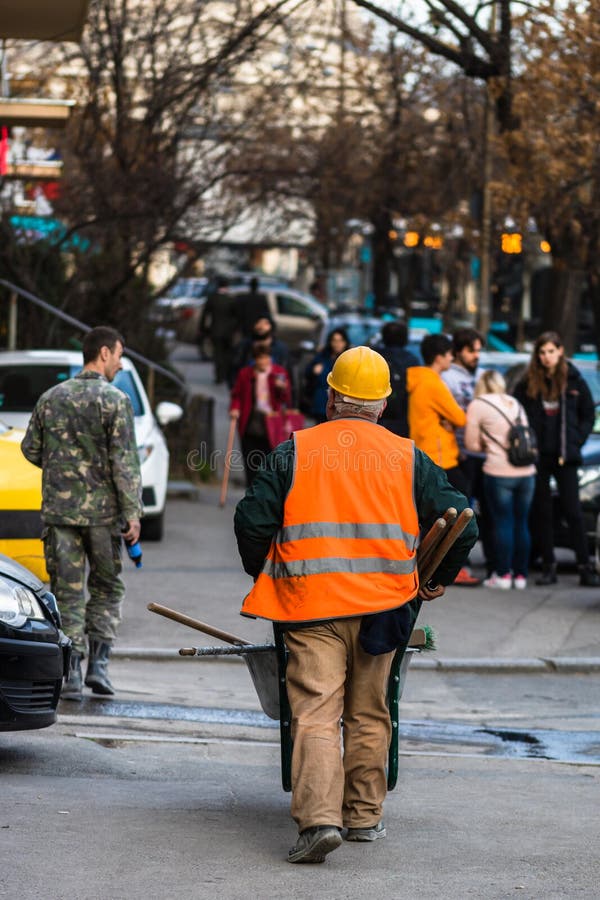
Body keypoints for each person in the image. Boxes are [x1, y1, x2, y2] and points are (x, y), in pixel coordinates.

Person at [234, 346, 478, 864]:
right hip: (385, 608)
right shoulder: (407, 455)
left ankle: (320, 823)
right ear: (383, 405)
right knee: (370, 711)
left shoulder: (294, 450)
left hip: (312, 607)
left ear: (331, 398)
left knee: (317, 715)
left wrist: (266, 569)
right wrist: (436, 580)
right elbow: (465, 519)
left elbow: (252, 520)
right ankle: (364, 818)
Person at [21, 326, 142, 700]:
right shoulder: (115, 401)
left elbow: (30, 449)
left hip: (60, 515)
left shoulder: (51, 398)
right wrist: (132, 513)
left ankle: (71, 673)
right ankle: (100, 668)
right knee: (106, 588)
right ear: (103, 353)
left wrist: (62, 469)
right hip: (103, 518)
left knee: (66, 592)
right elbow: (124, 463)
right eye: (119, 356)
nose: (120, 364)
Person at [513, 331, 600, 587]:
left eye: (551, 351)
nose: (546, 357)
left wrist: (577, 441)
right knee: (543, 512)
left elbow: (587, 414)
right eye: (542, 352)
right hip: (538, 457)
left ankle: (586, 566)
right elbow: (516, 412)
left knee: (573, 511)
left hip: (566, 457)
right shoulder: (529, 381)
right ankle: (548, 566)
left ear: (560, 351)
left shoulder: (573, 379)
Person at [406, 334, 478, 586]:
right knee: (459, 510)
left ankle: (426, 564)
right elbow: (459, 418)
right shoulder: (433, 382)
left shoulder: (416, 379)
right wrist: (447, 421)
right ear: (439, 357)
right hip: (440, 454)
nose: (451, 358)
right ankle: (451, 566)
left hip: (425, 448)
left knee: (432, 514)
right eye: (449, 354)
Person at [464, 370, 536, 589]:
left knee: (502, 522)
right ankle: (521, 575)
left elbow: (471, 445)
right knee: (521, 523)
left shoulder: (478, 405)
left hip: (498, 472)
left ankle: (503, 575)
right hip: (527, 472)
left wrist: (488, 445)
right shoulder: (514, 403)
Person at [442, 328, 494, 580]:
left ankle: (493, 562)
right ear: (459, 351)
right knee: (463, 510)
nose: (476, 355)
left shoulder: (481, 376)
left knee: (487, 509)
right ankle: (459, 563)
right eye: (472, 350)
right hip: (460, 454)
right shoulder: (448, 378)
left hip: (486, 455)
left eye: (478, 350)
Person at [229, 342, 292, 486]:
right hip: (251, 421)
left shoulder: (279, 373)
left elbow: (286, 400)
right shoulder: (245, 374)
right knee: (251, 460)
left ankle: (266, 491)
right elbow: (237, 395)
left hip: (272, 423)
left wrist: (282, 389)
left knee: (269, 459)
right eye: (259, 358)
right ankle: (251, 490)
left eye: (266, 358)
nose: (263, 362)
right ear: (254, 360)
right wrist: (235, 408)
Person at [376, 320, 419, 437]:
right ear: (405, 339)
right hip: (402, 419)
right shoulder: (412, 360)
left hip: (375, 415)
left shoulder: (374, 357)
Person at [303, 327, 350, 422]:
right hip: (321, 404)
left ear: (345, 342)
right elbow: (307, 373)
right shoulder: (323, 356)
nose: (337, 344)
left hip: (340, 406)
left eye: (340, 341)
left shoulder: (349, 358)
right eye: (334, 340)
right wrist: (313, 370)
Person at [229, 315, 291, 388]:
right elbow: (234, 368)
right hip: (248, 391)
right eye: (258, 323)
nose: (261, 326)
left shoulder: (281, 348)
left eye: (265, 324)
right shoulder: (244, 346)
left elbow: (285, 372)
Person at [197, 276, 236, 384]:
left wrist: (202, 329)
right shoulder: (230, 300)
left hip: (215, 330)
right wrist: (233, 329)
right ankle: (224, 374)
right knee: (226, 354)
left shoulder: (213, 299)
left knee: (218, 353)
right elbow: (236, 317)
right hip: (228, 332)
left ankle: (219, 375)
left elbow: (205, 315)